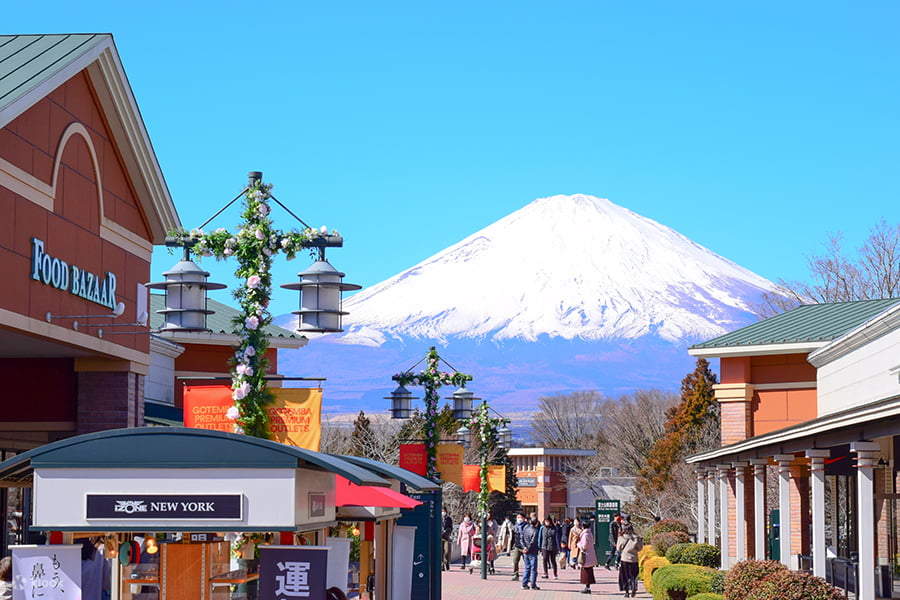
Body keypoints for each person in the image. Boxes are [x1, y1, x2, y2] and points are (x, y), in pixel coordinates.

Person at [616, 524, 643, 597]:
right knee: (633, 575)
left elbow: (618, 549)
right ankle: (634, 584)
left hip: (624, 559)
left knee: (624, 576)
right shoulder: (637, 538)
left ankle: (627, 592)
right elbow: (640, 548)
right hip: (634, 559)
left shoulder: (621, 538)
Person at [577, 519, 598, 595]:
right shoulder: (589, 533)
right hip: (589, 555)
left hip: (586, 556)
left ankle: (587, 588)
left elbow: (584, 546)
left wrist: (578, 544)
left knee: (586, 572)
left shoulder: (585, 534)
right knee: (589, 571)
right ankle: (587, 587)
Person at [520, 516, 541, 590]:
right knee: (533, 569)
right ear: (536, 523)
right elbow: (532, 542)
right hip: (532, 551)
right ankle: (533, 584)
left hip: (526, 551)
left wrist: (524, 547)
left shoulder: (526, 528)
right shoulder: (535, 531)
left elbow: (521, 538)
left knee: (527, 568)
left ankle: (524, 584)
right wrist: (527, 548)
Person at [510, 512, 527, 581]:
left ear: (524, 518)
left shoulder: (527, 526)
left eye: (520, 517)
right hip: (517, 546)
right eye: (518, 518)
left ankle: (527, 575)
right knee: (515, 561)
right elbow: (513, 537)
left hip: (525, 547)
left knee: (527, 562)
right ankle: (515, 574)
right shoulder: (515, 526)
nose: (519, 519)